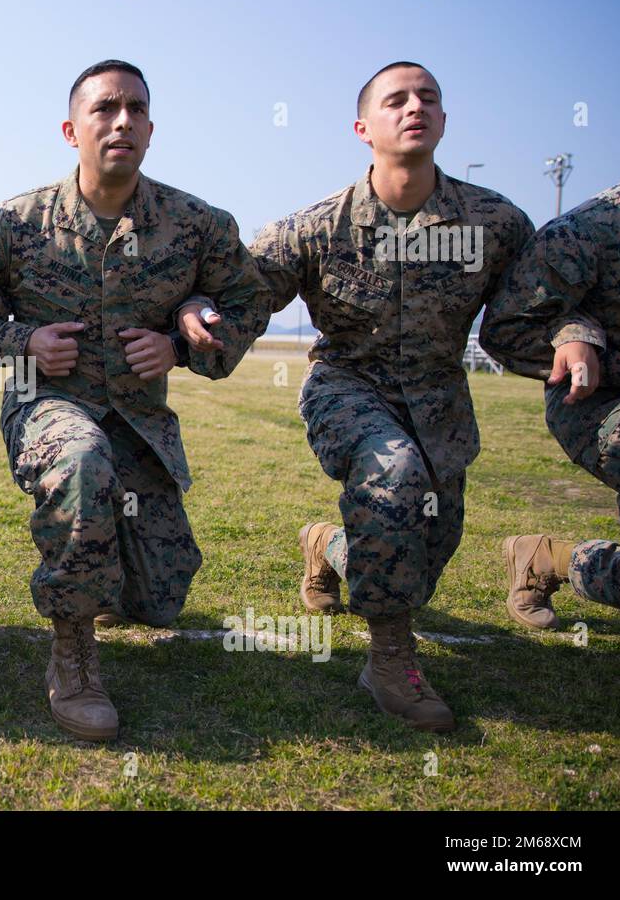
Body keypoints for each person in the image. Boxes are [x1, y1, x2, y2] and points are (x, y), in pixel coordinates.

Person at [0, 60, 267, 741]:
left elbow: (248, 299)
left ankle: (105, 575)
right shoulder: (12, 224)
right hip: (46, 407)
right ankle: (73, 652)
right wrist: (23, 341)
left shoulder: (195, 224)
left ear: (150, 128)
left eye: (136, 110)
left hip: (139, 422)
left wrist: (182, 339)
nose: (122, 122)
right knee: (81, 461)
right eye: (106, 109)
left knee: (161, 601)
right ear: (71, 128)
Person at [219, 62, 533, 732]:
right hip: (347, 385)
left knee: (421, 552)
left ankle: (328, 548)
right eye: (396, 100)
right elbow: (239, 293)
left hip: (440, 398)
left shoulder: (495, 223)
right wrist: (197, 317)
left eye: (429, 98)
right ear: (364, 128)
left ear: (444, 121)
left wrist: (574, 337)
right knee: (393, 476)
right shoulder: (317, 227)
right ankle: (390, 661)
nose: (414, 107)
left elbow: (538, 308)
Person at [481, 177, 620, 627]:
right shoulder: (591, 228)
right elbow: (507, 327)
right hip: (598, 403)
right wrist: (578, 336)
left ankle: (548, 559)